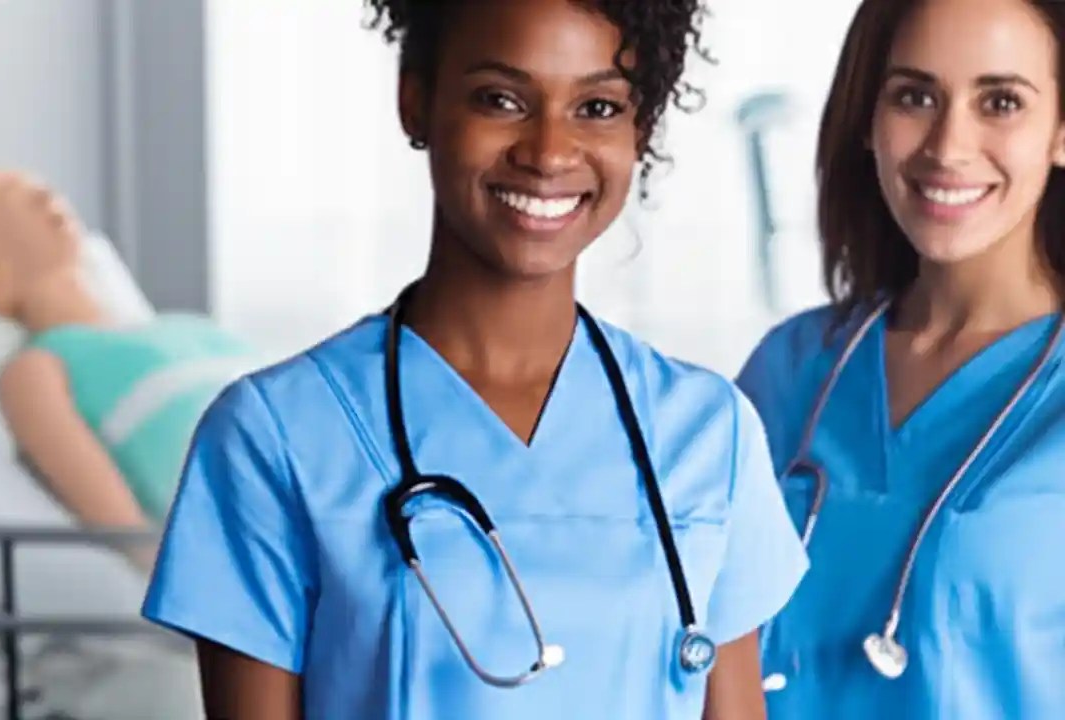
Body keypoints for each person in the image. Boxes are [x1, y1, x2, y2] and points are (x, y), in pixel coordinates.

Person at [141, 1, 808, 718]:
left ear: (639, 129)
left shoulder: (710, 432)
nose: (550, 152)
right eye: (502, 100)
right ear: (416, 100)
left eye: (597, 106)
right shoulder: (273, 436)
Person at [736, 0, 1065, 717]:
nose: (948, 146)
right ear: (867, 118)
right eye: (914, 96)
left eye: (1001, 102)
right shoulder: (788, 372)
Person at [0, 169, 253, 541]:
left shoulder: (190, 327)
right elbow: (126, 532)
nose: (46, 198)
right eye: (15, 204)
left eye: (44, 190)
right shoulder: (37, 368)